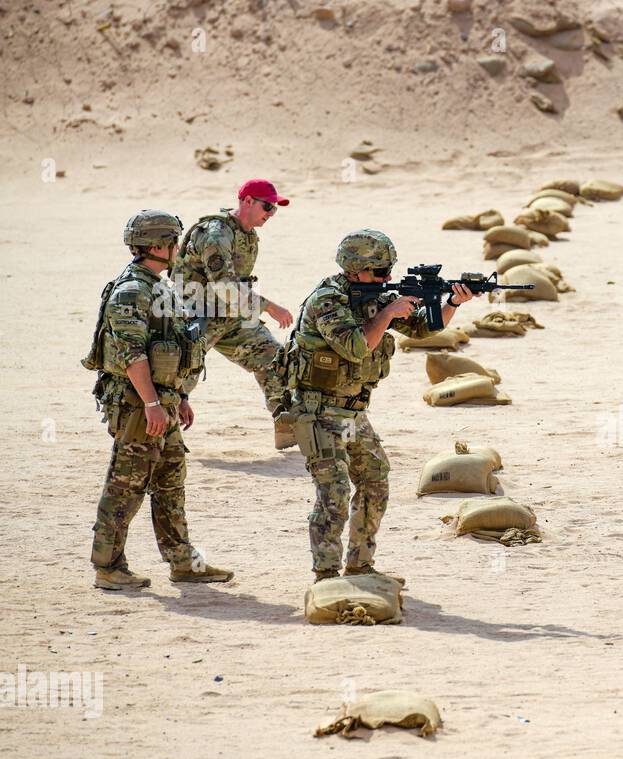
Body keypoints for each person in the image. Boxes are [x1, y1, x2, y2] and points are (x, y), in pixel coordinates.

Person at [282, 230, 482, 581]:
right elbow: (357, 347)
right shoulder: (328, 302)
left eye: (389, 269)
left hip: (352, 411)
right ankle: (326, 575)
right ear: (355, 269)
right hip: (317, 411)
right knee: (335, 491)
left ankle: (360, 564)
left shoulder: (376, 295)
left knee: (375, 480)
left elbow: (423, 331)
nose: (386, 278)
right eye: (379, 272)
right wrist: (388, 313)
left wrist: (451, 302)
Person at [84, 210, 235, 590]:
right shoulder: (133, 290)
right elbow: (131, 354)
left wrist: (177, 397)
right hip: (138, 406)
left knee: (170, 481)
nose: (179, 248)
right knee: (126, 484)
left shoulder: (157, 285)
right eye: (174, 242)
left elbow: (170, 348)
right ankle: (108, 566)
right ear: (156, 246)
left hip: (161, 403)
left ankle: (182, 561)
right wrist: (152, 403)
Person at [173, 178, 297, 449]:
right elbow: (224, 285)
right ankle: (160, 440)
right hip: (196, 317)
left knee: (273, 360)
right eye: (267, 206)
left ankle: (287, 426)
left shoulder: (247, 233)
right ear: (247, 201)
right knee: (177, 378)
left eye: (275, 209)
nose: (270, 214)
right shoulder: (216, 233)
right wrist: (269, 307)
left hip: (230, 317)